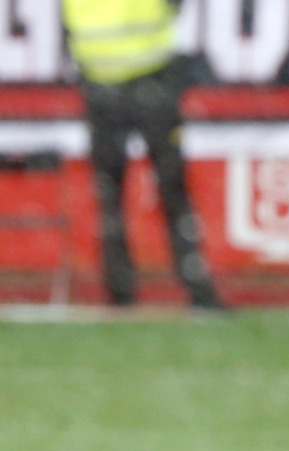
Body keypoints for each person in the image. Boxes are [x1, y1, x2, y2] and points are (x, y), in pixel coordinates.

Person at [62, 0, 223, 310]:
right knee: (134, 192)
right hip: (127, 83)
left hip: (133, 79)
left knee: (151, 190)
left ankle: (150, 290)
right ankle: (139, 290)